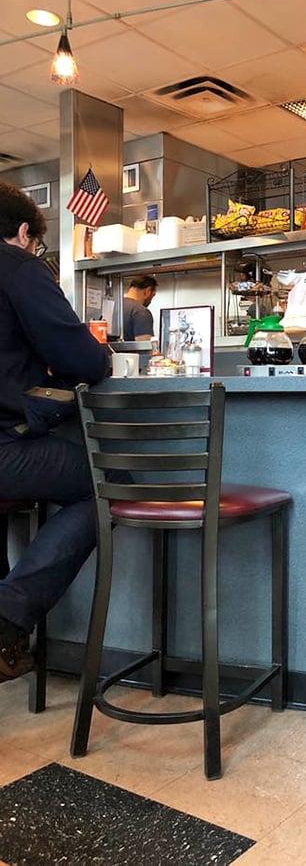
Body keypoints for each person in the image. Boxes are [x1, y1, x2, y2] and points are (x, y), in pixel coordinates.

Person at [0, 181, 109, 682]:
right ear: (24, 232)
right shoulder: (19, 267)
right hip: (5, 450)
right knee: (108, 485)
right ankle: (8, 615)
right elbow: (84, 360)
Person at [122, 275, 157, 341]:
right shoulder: (141, 312)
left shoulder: (115, 306)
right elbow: (145, 345)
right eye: (153, 295)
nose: (151, 301)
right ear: (147, 291)